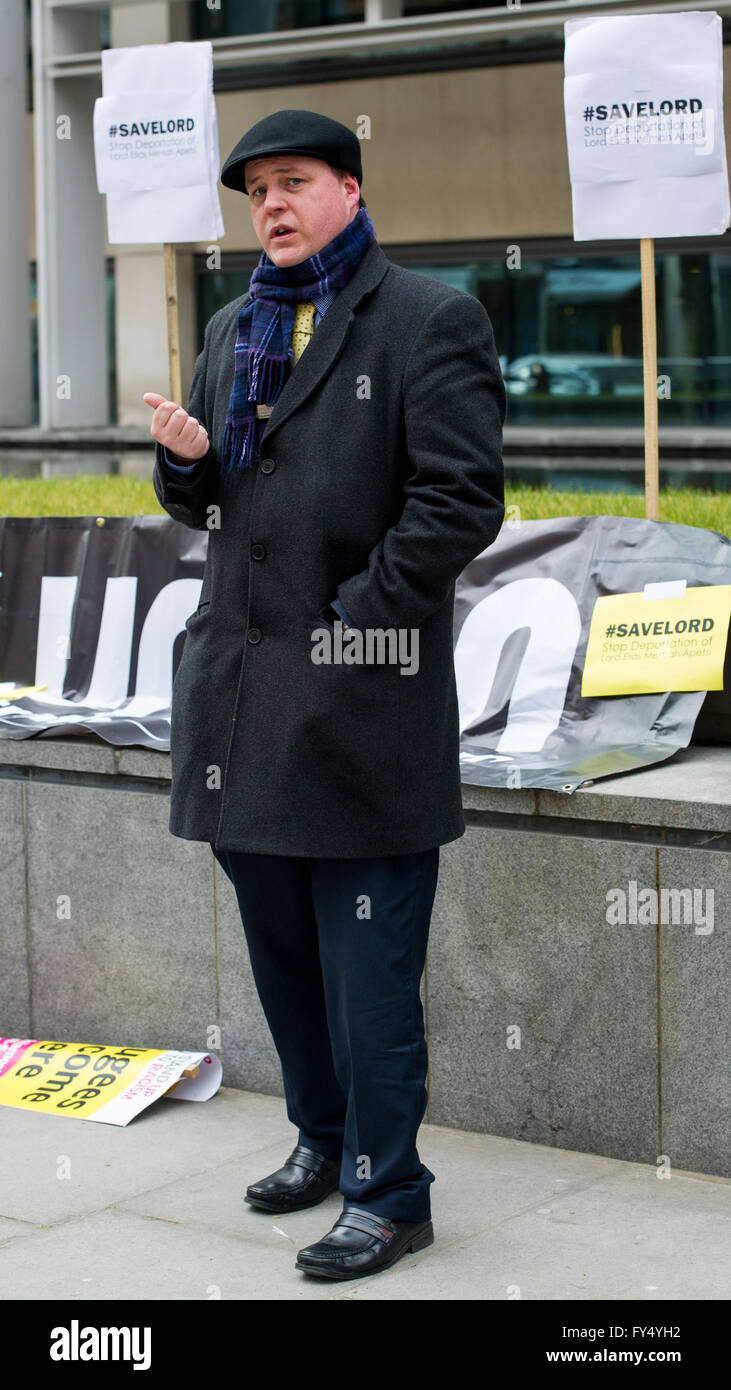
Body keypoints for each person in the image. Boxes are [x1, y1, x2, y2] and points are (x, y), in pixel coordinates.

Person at [144, 108, 506, 1282]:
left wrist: (356, 624)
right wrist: (187, 463)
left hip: (359, 713)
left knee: (365, 979)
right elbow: (208, 516)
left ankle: (389, 1194)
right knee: (284, 962)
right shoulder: (234, 327)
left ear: (349, 189)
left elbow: (456, 502)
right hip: (240, 717)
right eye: (255, 192)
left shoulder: (428, 320)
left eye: (293, 181)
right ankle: (322, 1137)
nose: (273, 205)